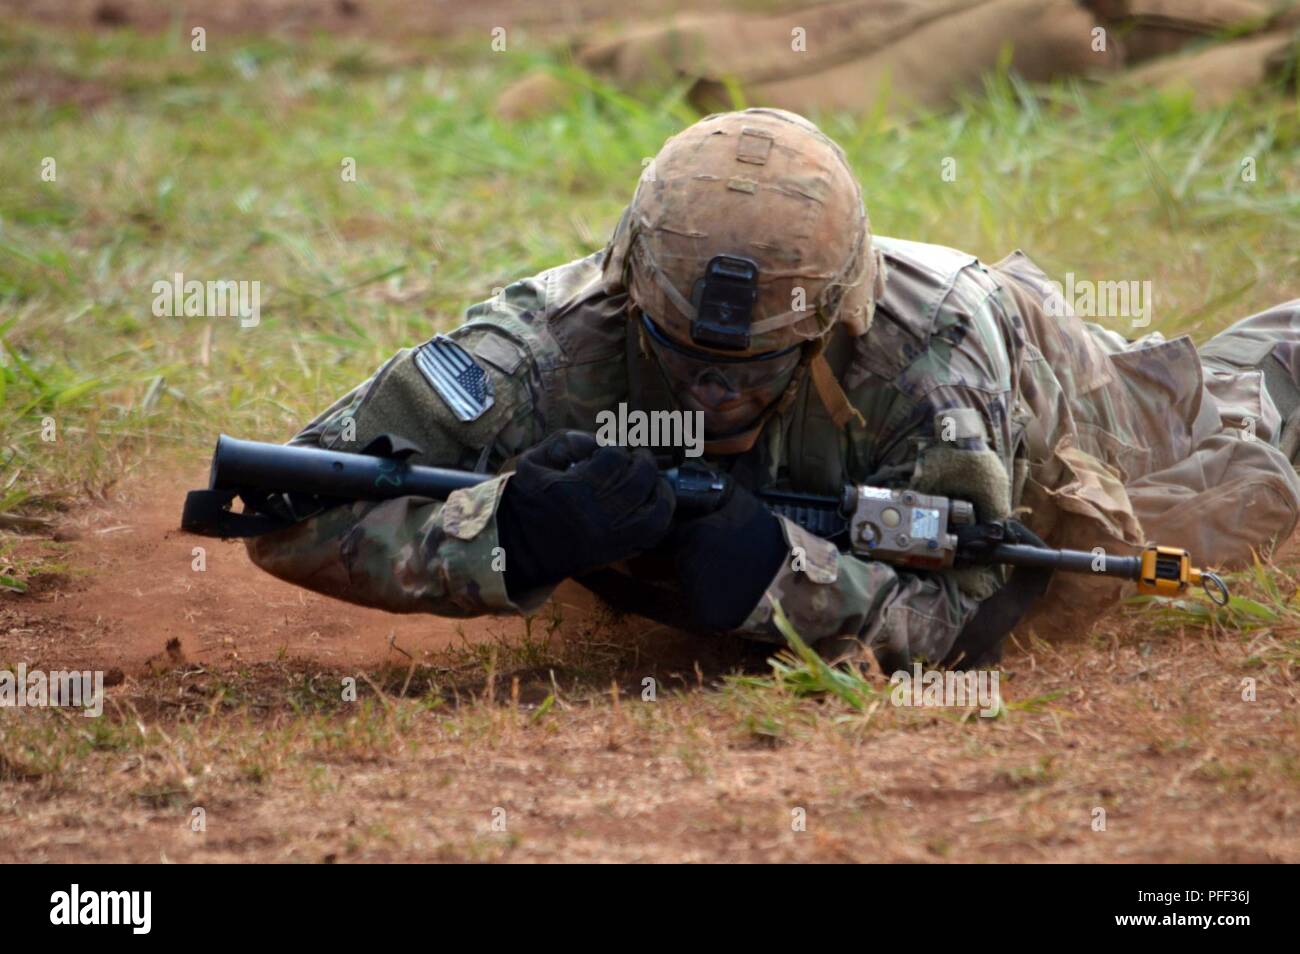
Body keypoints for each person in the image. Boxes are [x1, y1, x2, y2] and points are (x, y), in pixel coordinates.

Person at [245, 108, 1300, 668]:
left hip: (1054, 380)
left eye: (746, 366)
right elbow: (291, 508)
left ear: (833, 323)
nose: (707, 394)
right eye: (679, 352)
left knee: (1232, 413)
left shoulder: (926, 367)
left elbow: (985, 610)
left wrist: (775, 580)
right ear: (626, 289)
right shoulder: (543, 344)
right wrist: (506, 534)